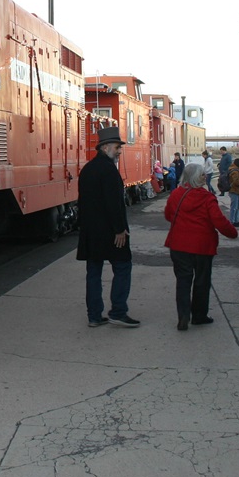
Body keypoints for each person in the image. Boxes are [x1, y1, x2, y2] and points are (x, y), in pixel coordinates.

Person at [77, 126, 140, 328]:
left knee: (93, 272)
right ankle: (118, 312)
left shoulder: (87, 169)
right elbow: (114, 204)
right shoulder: (109, 171)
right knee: (123, 266)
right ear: (105, 148)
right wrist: (120, 229)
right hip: (111, 233)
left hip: (91, 232)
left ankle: (94, 315)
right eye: (117, 147)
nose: (120, 150)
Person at [164, 163, 238, 330]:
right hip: (202, 247)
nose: (205, 177)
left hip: (178, 244)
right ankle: (199, 315)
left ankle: (183, 316)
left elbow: (169, 215)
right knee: (202, 281)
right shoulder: (206, 198)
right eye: (203, 175)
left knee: (183, 281)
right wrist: (233, 233)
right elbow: (219, 221)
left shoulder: (176, 194)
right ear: (196, 177)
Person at [227, 157, 239, 226]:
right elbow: (236, 182)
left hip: (236, 190)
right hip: (234, 190)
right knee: (234, 207)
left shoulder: (237, 170)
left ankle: (236, 220)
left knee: (237, 206)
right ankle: (232, 221)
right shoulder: (235, 171)